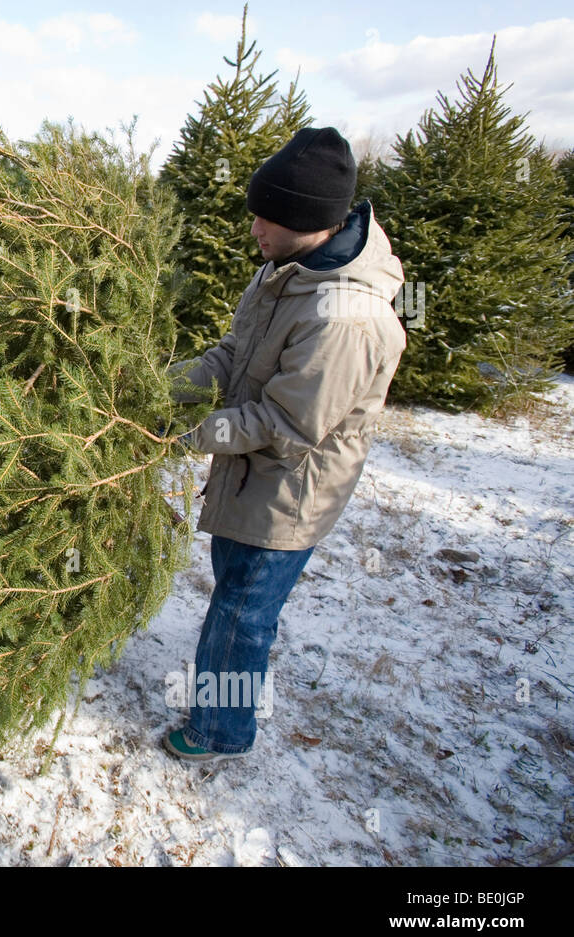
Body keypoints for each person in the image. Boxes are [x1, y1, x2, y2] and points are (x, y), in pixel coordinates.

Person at [163, 127, 406, 763]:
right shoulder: (283, 273)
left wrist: (182, 436)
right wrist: (162, 390)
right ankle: (224, 713)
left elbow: (285, 424)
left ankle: (222, 731)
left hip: (287, 495)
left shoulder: (345, 318)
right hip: (251, 481)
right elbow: (233, 356)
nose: (254, 230)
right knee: (233, 596)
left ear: (308, 220)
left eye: (267, 217)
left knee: (243, 615)